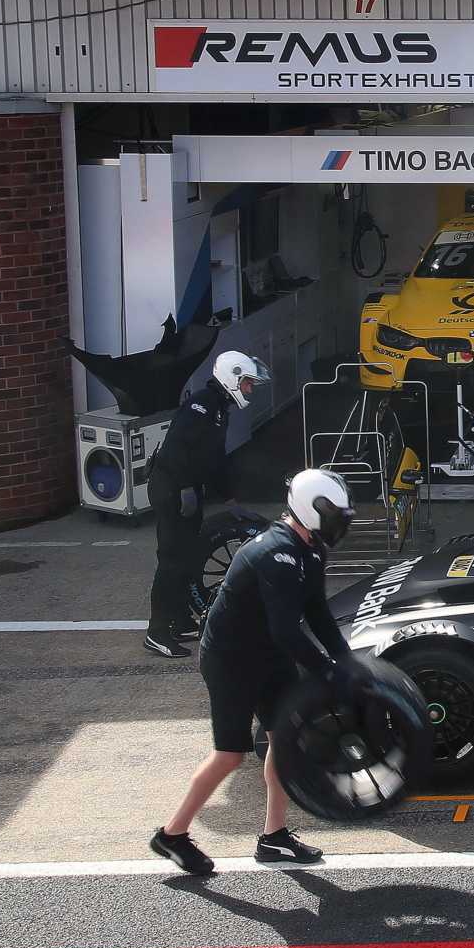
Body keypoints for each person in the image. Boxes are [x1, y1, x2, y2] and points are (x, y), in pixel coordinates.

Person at [151, 469, 355, 876]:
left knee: (284, 741)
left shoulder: (311, 549)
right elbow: (286, 631)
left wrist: (346, 661)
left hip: (268, 651)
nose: (338, 523)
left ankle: (274, 838)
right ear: (308, 510)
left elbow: (317, 613)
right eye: (332, 514)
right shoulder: (275, 555)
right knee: (229, 755)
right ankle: (171, 835)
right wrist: (327, 671)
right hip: (231, 658)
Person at [143, 350, 267, 658]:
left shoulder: (218, 408)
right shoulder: (201, 406)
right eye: (248, 383)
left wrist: (229, 499)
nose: (250, 389)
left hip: (186, 487)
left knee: (189, 555)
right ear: (233, 378)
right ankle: (157, 632)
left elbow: (214, 461)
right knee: (171, 560)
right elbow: (177, 452)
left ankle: (179, 619)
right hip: (171, 487)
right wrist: (184, 488)